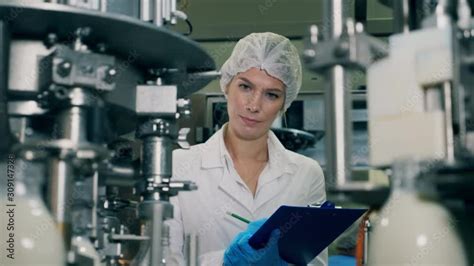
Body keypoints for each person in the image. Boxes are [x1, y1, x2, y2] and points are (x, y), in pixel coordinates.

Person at [167, 32, 327, 265]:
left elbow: (316, 263)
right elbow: (161, 259)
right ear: (227, 86)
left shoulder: (306, 173)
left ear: (284, 103)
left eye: (271, 94)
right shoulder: (180, 165)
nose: (254, 105)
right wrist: (225, 261)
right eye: (245, 87)